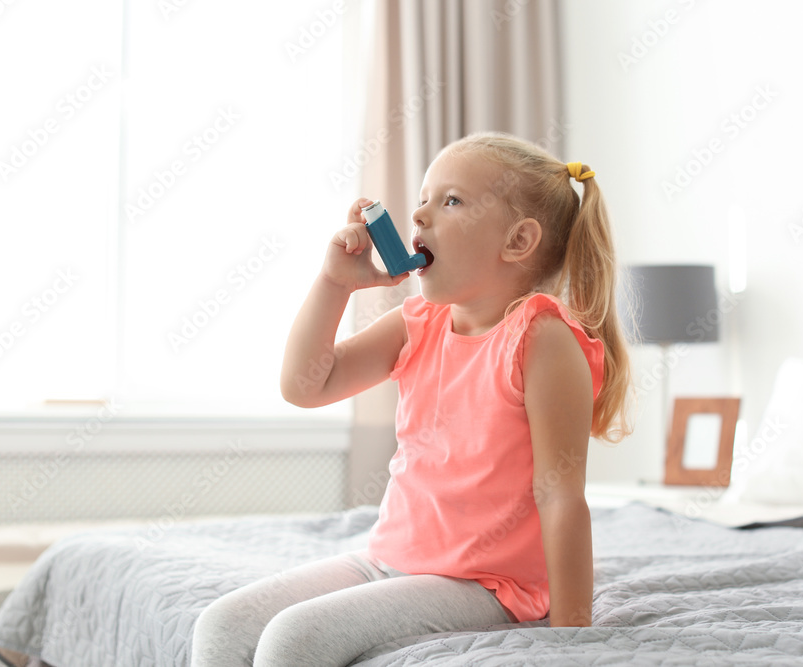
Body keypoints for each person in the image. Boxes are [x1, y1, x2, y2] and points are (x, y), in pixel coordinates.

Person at [190, 131, 634, 667]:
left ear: (518, 241)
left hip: (487, 583)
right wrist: (335, 282)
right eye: (423, 198)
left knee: (294, 639)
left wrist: (573, 640)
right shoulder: (417, 324)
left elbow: (561, 496)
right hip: (389, 558)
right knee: (222, 624)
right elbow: (305, 385)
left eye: (451, 201)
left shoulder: (540, 338)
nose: (419, 216)